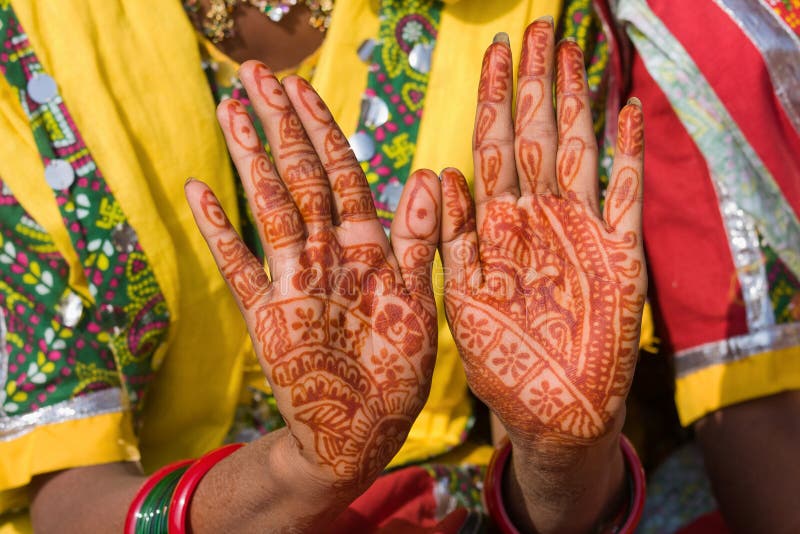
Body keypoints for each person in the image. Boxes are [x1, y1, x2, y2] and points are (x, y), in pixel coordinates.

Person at [1, 0, 798, 532]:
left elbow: (557, 487)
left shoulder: (527, 21)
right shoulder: (30, 34)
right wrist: (299, 474)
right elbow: (64, 495)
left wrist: (560, 454)